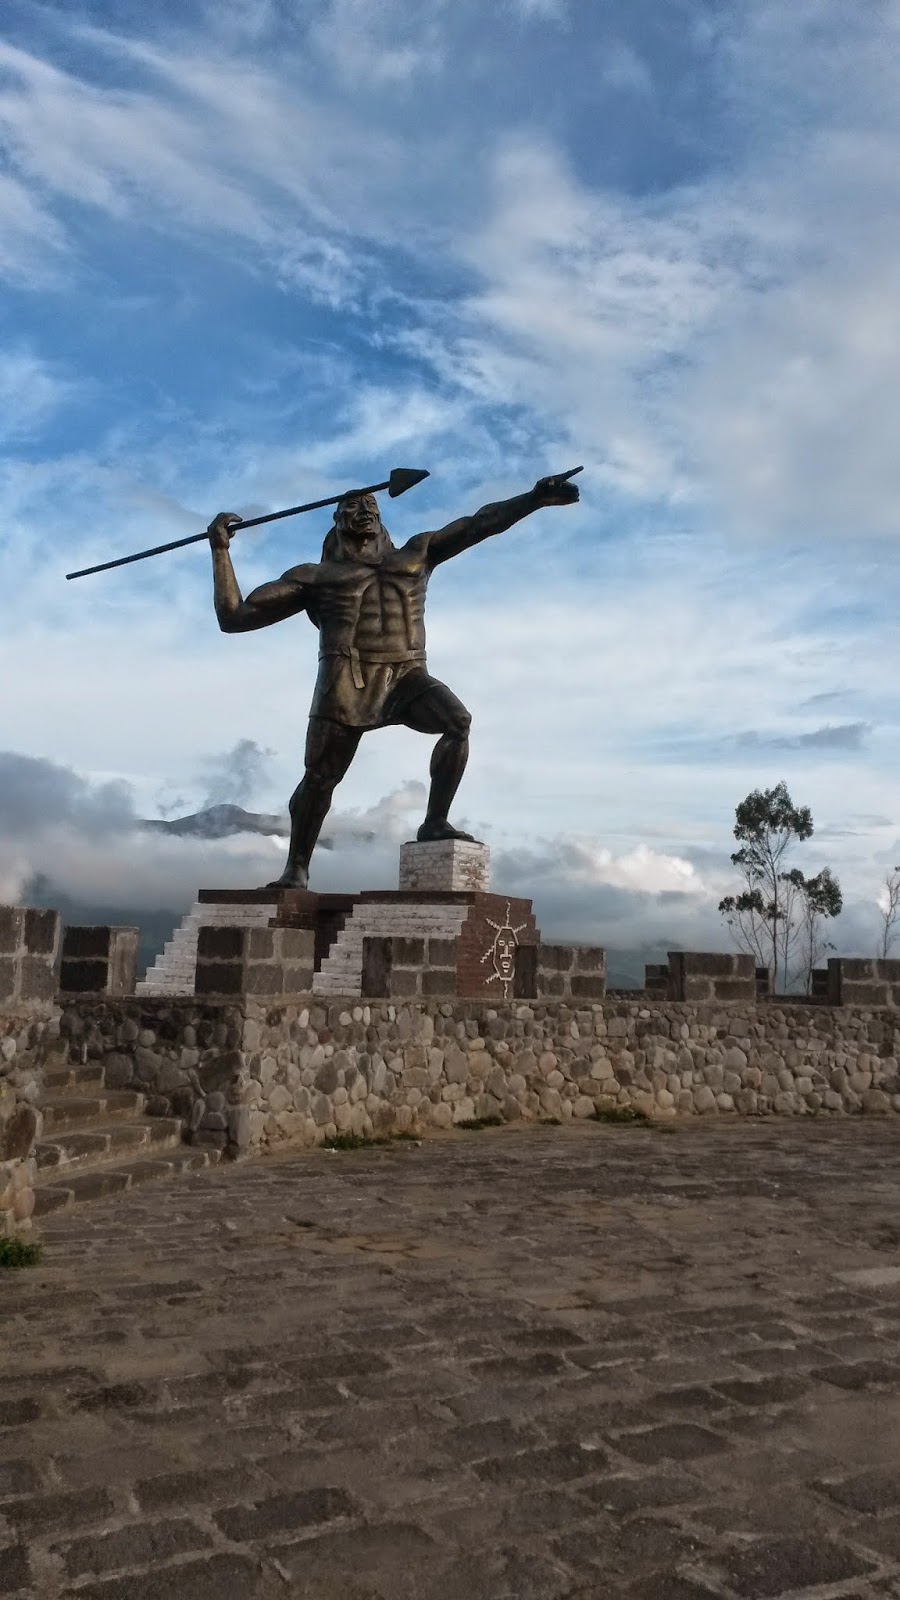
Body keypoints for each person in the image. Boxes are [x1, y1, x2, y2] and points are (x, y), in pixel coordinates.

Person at [208, 468, 580, 888]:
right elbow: (234, 617)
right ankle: (296, 868)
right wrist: (220, 549)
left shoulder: (417, 554)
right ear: (337, 521)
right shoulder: (315, 577)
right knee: (321, 777)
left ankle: (434, 822)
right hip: (346, 678)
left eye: (369, 503)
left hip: (406, 673)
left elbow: (480, 523)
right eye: (351, 505)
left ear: (382, 515)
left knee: (457, 722)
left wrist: (533, 497)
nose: (363, 508)